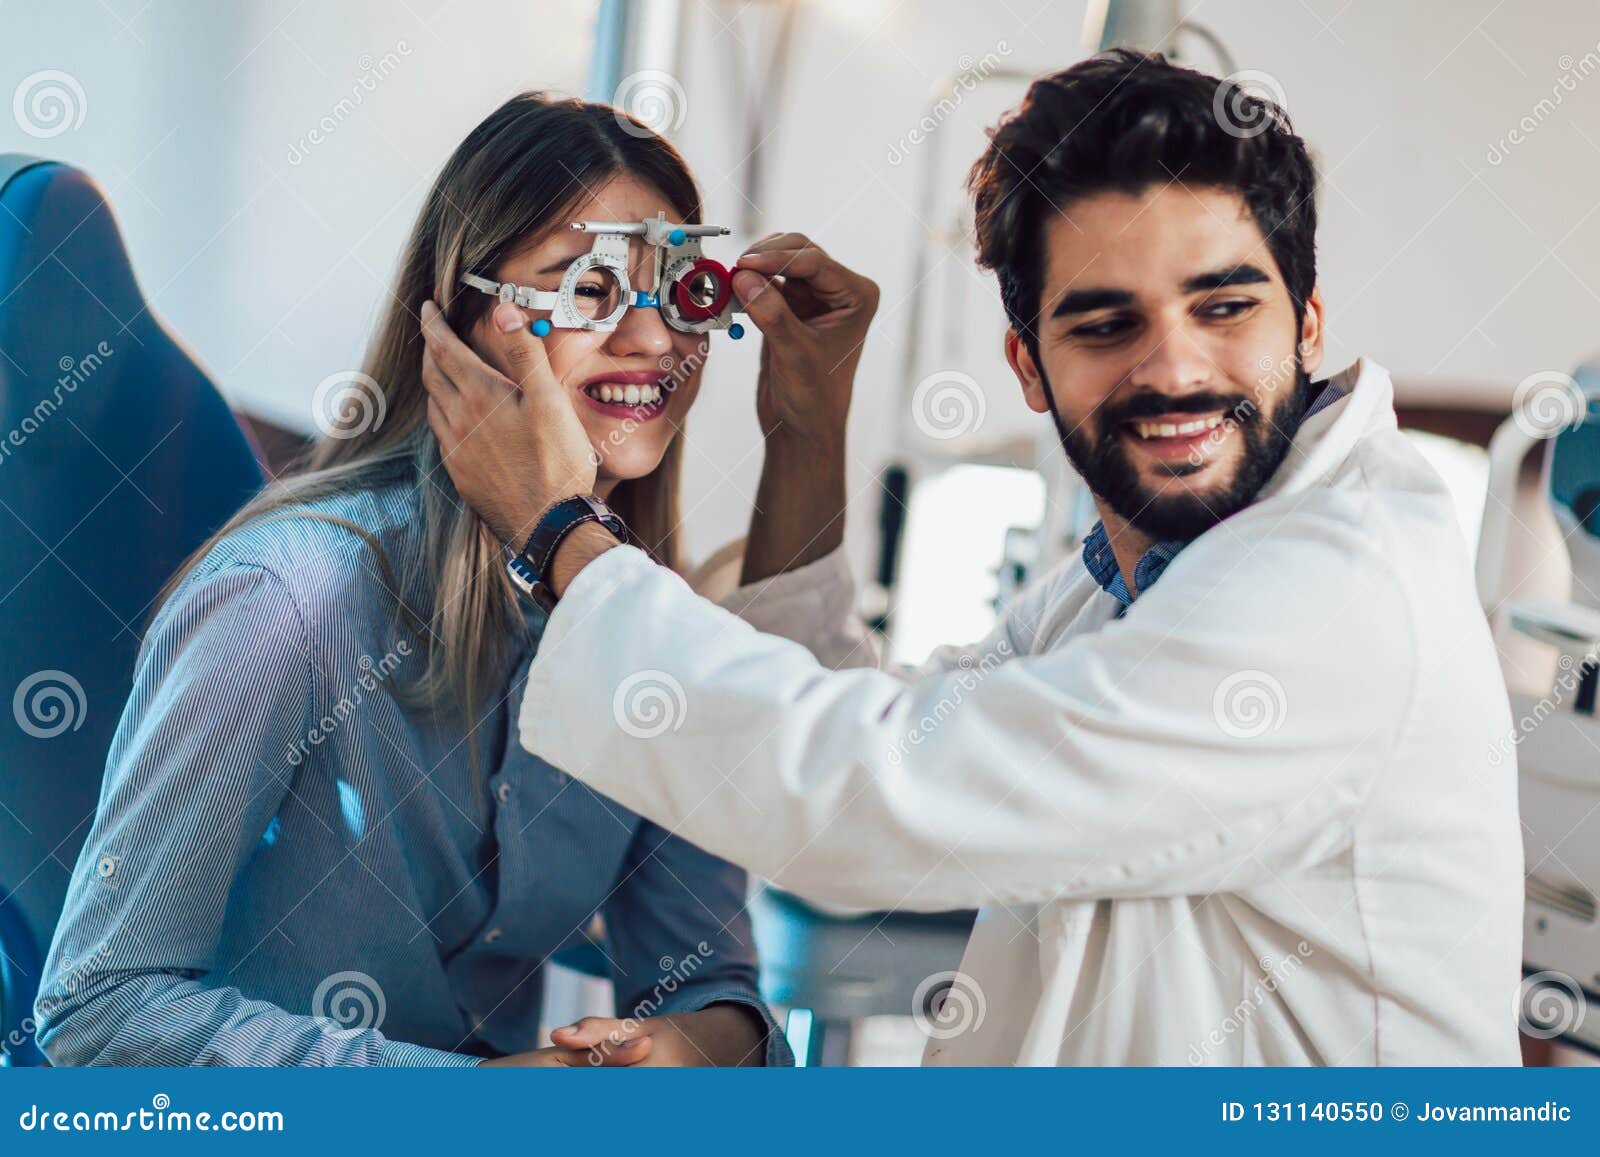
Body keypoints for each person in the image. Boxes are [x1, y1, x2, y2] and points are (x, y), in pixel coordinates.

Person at [416, 52, 1525, 1065]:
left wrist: (562, 532)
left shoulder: (1333, 593)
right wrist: (809, 426)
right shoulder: (1129, 587)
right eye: (1102, 324)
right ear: (1028, 365)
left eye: (1223, 306)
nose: (1175, 368)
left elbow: (876, 800)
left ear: (1309, 322)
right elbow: (856, 730)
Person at [36, 93, 786, 1068]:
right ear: (466, 320)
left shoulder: (644, 628)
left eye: (682, 290)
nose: (652, 343)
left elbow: (708, 976)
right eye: (590, 289)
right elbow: (98, 1009)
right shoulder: (289, 598)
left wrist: (681, 1046)